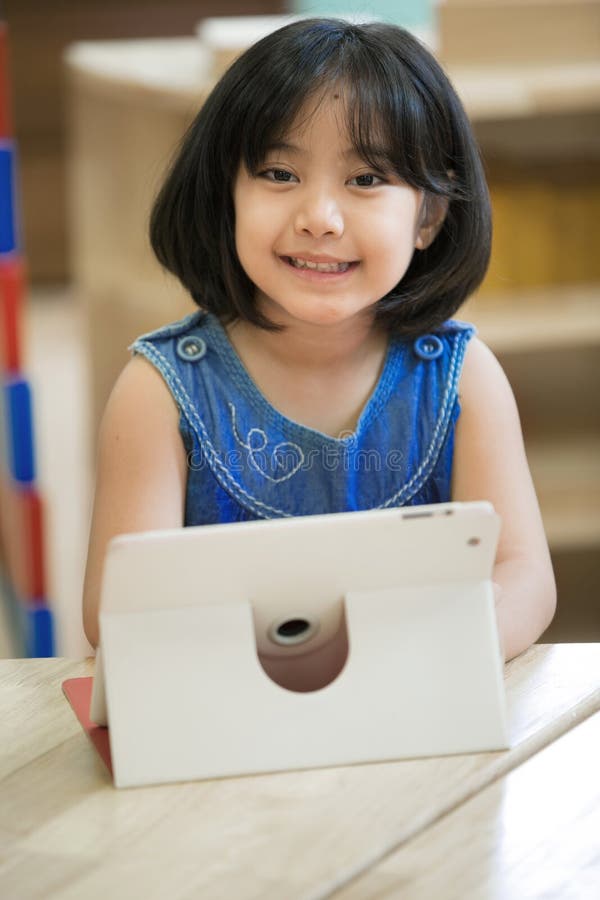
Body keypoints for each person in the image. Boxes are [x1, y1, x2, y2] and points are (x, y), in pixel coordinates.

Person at [82, 18, 556, 660]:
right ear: (227, 198)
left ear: (430, 215)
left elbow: (524, 575)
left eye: (366, 180)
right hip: (231, 721)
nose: (320, 220)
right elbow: (118, 614)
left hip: (415, 709)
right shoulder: (159, 390)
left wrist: (424, 660)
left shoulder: (461, 376)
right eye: (279, 174)